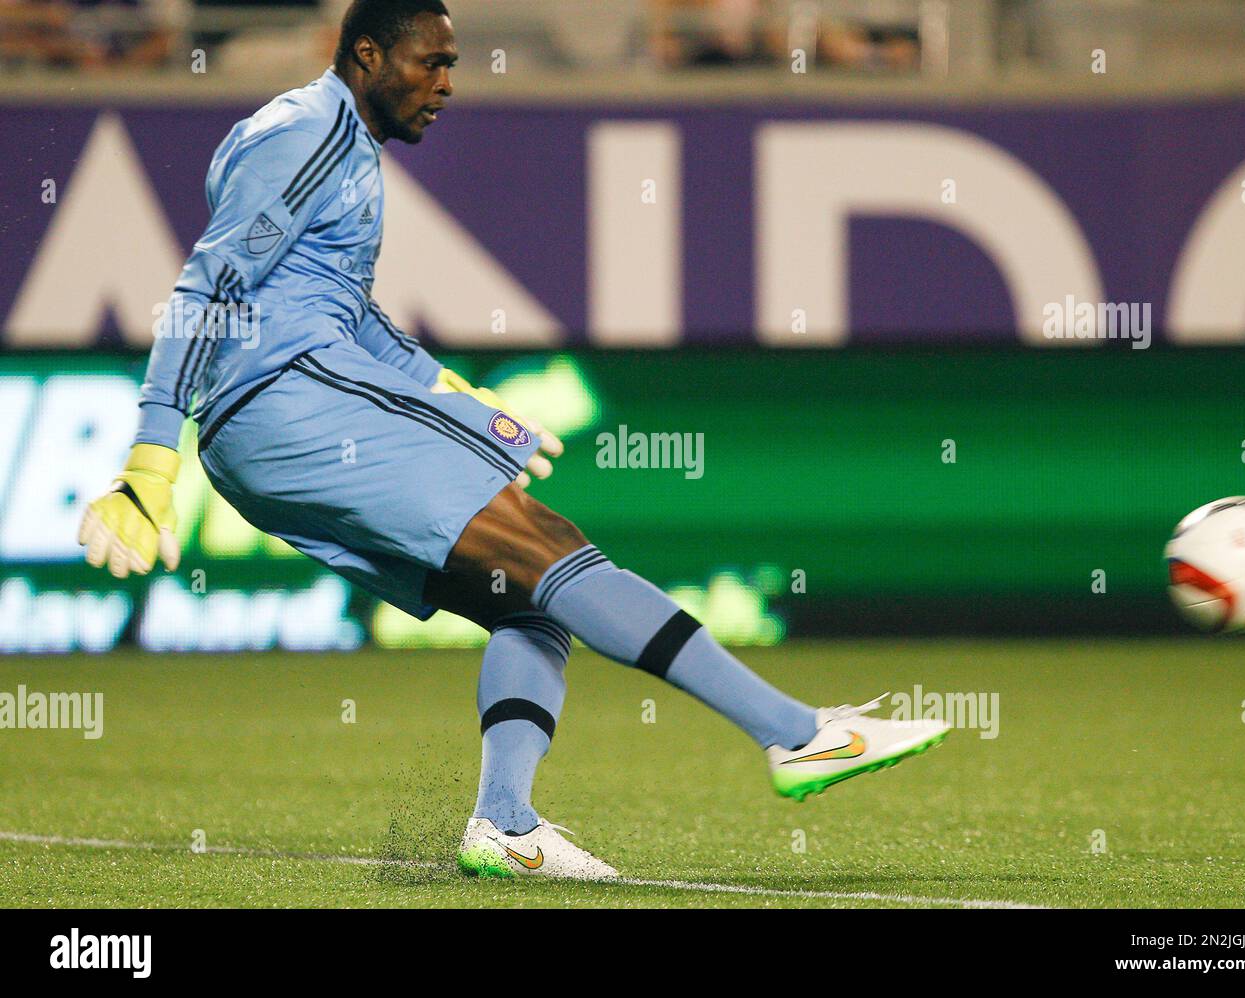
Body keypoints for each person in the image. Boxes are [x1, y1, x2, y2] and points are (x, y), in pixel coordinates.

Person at [78, 0, 950, 881]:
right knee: (554, 550)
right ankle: (797, 734)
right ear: (368, 53)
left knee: (526, 602)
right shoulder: (310, 130)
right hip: (293, 402)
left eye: (453, 65)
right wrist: (152, 453)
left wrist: (453, 390)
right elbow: (208, 281)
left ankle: (507, 826)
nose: (445, 86)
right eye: (429, 64)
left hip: (281, 419)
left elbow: (343, 308)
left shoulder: (337, 142)